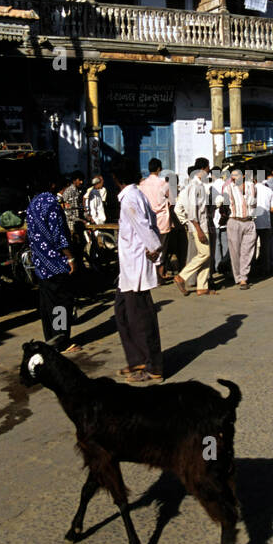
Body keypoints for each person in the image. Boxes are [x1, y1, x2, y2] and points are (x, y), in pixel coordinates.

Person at [112, 163, 164, 382]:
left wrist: (155, 251)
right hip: (128, 269)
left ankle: (154, 368)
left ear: (116, 178)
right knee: (122, 312)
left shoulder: (131, 199)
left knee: (141, 319)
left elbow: (145, 226)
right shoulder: (132, 196)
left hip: (137, 268)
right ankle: (137, 359)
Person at [26, 176, 79, 352]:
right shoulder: (51, 203)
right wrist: (70, 257)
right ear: (52, 184)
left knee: (48, 304)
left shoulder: (32, 203)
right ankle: (62, 341)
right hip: (56, 262)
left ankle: (52, 339)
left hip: (41, 262)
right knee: (62, 304)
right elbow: (60, 236)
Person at [173, 158, 214, 296]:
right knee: (204, 254)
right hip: (199, 226)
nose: (209, 171)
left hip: (203, 225)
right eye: (208, 168)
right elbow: (192, 211)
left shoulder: (200, 185)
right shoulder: (194, 186)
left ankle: (202, 287)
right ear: (203, 168)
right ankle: (181, 276)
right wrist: (198, 229)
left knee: (206, 256)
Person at [138, 157, 175, 281]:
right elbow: (172, 201)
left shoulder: (142, 185)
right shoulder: (163, 184)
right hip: (162, 220)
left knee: (149, 246)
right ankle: (160, 273)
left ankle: (151, 274)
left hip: (147, 220)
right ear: (159, 169)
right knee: (162, 247)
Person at [222, 167, 256, 290]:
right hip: (234, 221)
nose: (234, 177)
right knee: (235, 252)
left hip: (249, 221)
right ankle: (238, 276)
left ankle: (243, 278)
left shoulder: (251, 186)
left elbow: (254, 202)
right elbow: (225, 207)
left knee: (247, 251)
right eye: (232, 175)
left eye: (236, 174)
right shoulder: (228, 188)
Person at [252, 171, 273, 277]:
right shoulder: (269, 190)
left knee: (251, 247)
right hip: (266, 222)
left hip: (253, 221)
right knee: (265, 247)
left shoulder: (252, 190)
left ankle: (252, 269)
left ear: (254, 180)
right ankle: (265, 268)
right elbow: (272, 208)